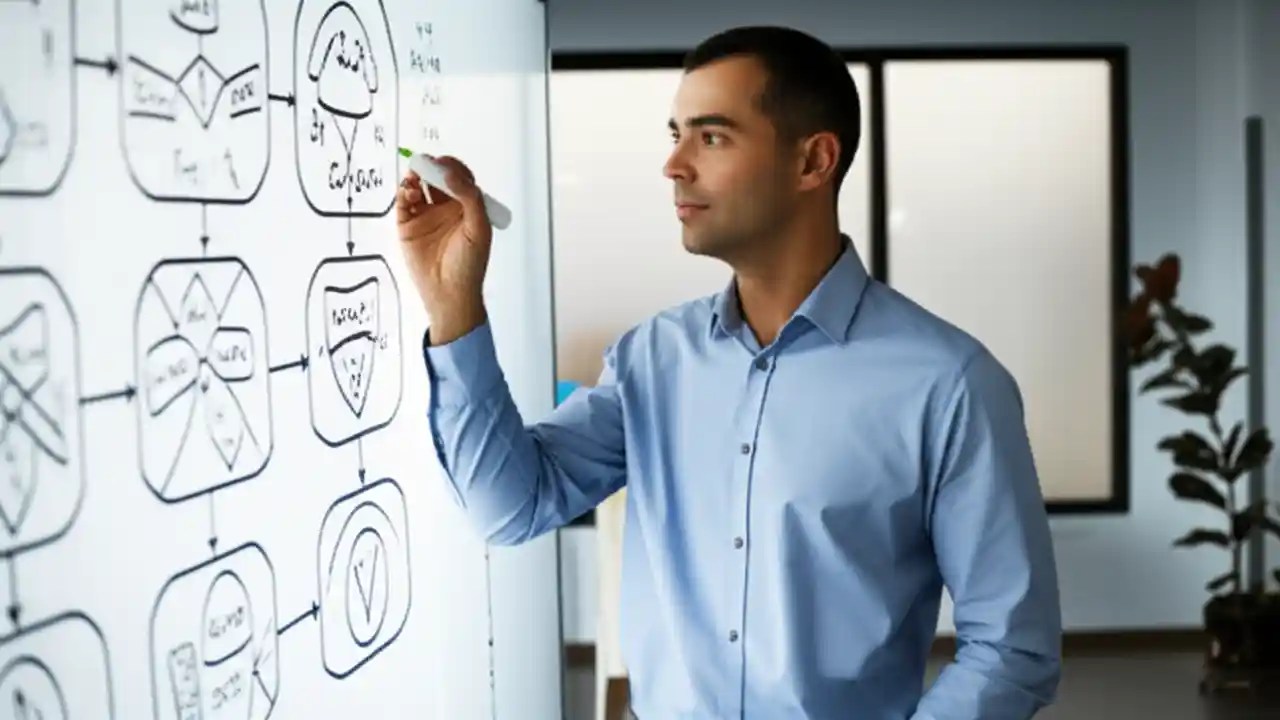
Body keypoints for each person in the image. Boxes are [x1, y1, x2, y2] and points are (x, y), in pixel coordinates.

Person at [396, 24, 1062, 720]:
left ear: (813, 161)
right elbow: (508, 507)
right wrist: (455, 305)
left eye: (711, 137)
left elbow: (1012, 646)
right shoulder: (652, 359)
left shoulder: (950, 383)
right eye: (675, 133)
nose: (674, 165)